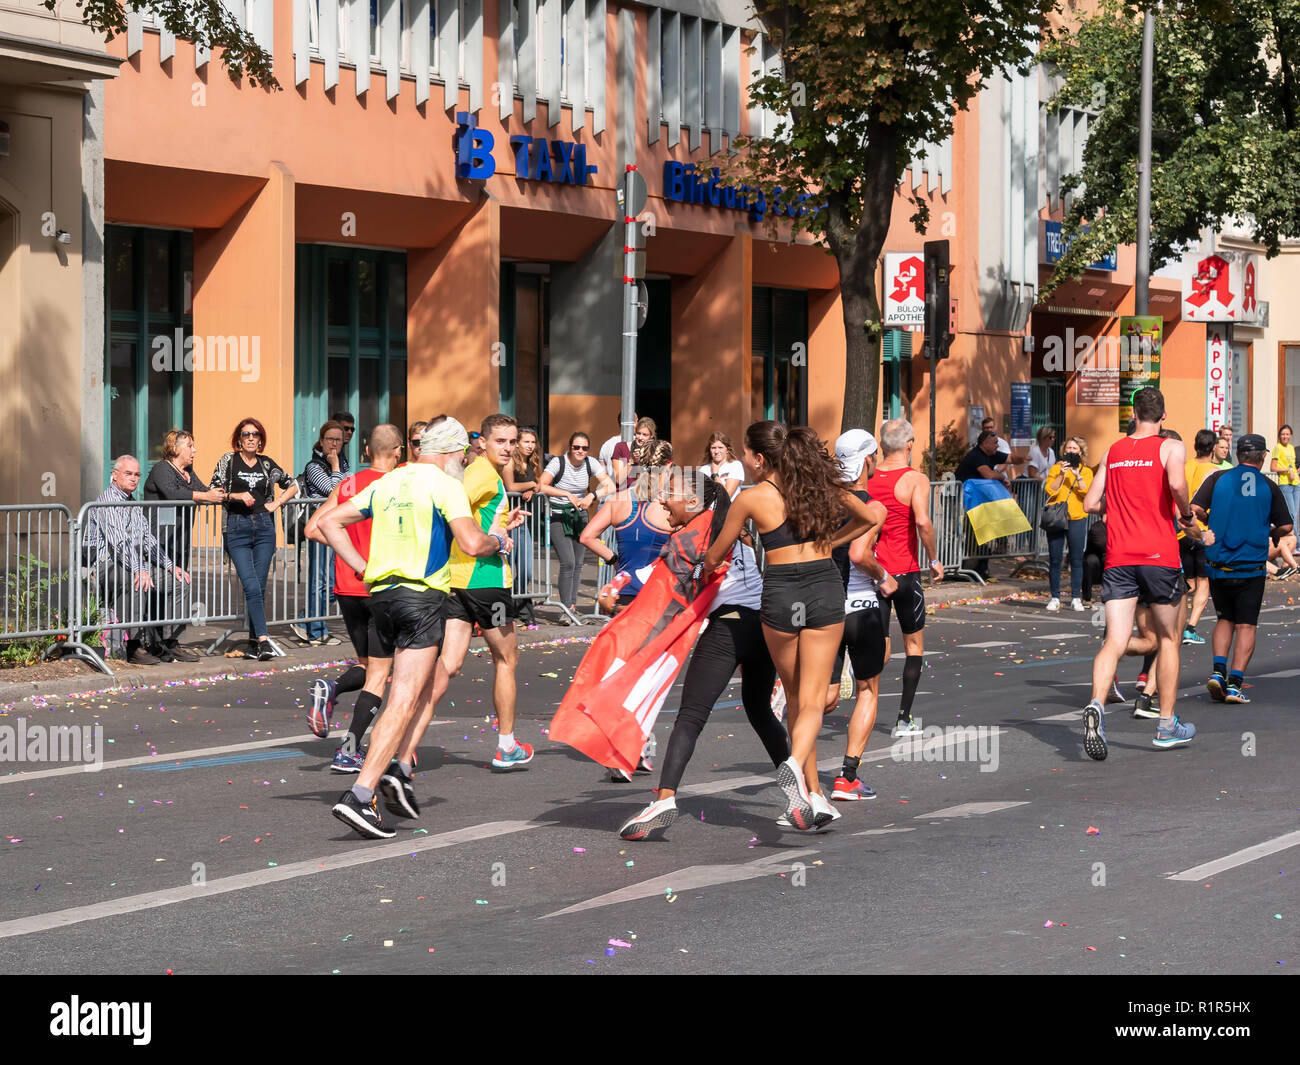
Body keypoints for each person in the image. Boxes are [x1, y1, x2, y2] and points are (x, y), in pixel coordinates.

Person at [319, 416, 520, 839]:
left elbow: (327, 523)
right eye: (462, 456)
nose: (463, 463)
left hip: (382, 597)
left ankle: (396, 772)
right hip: (422, 599)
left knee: (405, 687)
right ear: (450, 453)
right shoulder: (444, 483)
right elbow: (470, 542)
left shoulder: (389, 480)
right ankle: (360, 794)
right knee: (404, 698)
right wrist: (499, 541)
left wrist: (363, 568)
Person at [702, 422, 877, 831]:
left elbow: (715, 554)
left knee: (795, 698)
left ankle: (807, 788)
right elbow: (868, 516)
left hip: (781, 594)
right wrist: (831, 544)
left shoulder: (750, 498)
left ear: (760, 458)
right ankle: (800, 774)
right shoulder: (818, 489)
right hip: (822, 588)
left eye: (745, 452)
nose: (743, 459)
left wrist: (705, 564)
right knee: (813, 702)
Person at [617, 477, 787, 839]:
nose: (663, 502)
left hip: (729, 628)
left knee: (691, 716)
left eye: (671, 495)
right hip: (763, 626)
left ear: (693, 500)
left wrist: (616, 586)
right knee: (759, 710)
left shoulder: (696, 532)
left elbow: (661, 580)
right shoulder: (726, 522)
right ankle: (799, 792)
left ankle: (664, 799)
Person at [1081, 387, 1199, 757]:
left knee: (1114, 641)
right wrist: (1186, 514)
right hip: (1158, 555)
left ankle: (1096, 705)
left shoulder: (1114, 452)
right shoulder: (1170, 448)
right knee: (1168, 639)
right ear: (1163, 417)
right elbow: (1178, 484)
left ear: (1133, 413)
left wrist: (1118, 508)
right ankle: (1166, 725)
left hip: (1119, 557)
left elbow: (1089, 502)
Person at [303, 424, 404, 772]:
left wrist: (349, 555)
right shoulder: (396, 482)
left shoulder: (347, 484)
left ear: (364, 452)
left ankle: (331, 688)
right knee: (380, 674)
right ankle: (350, 747)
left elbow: (312, 529)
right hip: (381, 587)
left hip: (347, 587)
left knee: (370, 666)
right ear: (398, 451)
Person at [1192, 433, 1295, 704]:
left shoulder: (1218, 478)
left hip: (1218, 563)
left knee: (1225, 619)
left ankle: (1217, 672)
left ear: (1237, 455)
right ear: (1262, 458)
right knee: (1247, 625)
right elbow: (1287, 527)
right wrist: (1270, 531)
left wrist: (1209, 518)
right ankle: (1235, 684)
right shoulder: (1267, 486)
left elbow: (1194, 508)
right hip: (1251, 566)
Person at [861, 418, 946, 739]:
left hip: (874, 572)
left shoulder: (868, 478)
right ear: (910, 445)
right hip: (906, 572)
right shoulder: (915, 479)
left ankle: (862, 699)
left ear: (882, 445)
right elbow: (922, 522)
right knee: (913, 645)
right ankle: (903, 718)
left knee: (879, 646)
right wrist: (935, 560)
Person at [822, 430, 892, 804]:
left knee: (828, 697)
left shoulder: (820, 503)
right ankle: (847, 778)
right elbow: (859, 554)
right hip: (862, 608)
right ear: (867, 461)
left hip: (826, 608)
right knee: (867, 690)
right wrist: (884, 576)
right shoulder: (870, 505)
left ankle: (794, 761)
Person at [85, 455, 193, 665]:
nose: (134, 479)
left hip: (131, 563)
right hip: (106, 565)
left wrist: (170, 566)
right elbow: (119, 544)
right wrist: (138, 569)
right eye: (128, 474)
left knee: (180, 582)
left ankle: (171, 641)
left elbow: (147, 540)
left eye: (137, 474)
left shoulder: (133, 503)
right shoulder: (108, 501)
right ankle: (133, 646)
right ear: (115, 476)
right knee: (135, 582)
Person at [212, 418, 299, 660]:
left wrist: (277, 503)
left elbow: (292, 484)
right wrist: (237, 495)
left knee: (259, 587)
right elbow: (215, 490)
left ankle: (253, 645)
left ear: (261, 439)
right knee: (250, 584)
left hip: (264, 529)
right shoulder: (228, 461)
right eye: (246, 434)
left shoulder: (267, 464)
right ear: (238, 439)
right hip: (237, 527)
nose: (251, 437)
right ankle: (264, 639)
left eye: (255, 434)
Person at [143, 429, 226, 660]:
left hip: (180, 542)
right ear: (175, 448)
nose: (194, 450)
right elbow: (173, 493)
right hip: (158, 541)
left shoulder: (187, 471)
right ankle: (155, 642)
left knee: (180, 587)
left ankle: (173, 640)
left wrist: (226, 493)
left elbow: (204, 490)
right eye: (189, 446)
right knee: (159, 591)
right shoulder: (162, 469)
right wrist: (205, 496)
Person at [583, 440, 675, 615]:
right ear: (669, 466)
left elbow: (586, 537)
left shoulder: (617, 500)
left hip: (624, 592)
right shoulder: (671, 508)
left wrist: (615, 561)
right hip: (659, 594)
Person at [538, 432, 616, 619]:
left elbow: (610, 485)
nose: (580, 451)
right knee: (568, 562)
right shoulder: (559, 462)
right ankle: (565, 610)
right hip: (558, 515)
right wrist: (566, 494)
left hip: (579, 515)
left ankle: (572, 607)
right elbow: (541, 485)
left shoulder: (591, 463)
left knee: (579, 563)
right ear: (570, 448)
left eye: (584, 448)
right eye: (576, 447)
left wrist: (592, 495)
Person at [291, 420, 348, 646]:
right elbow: (333, 489)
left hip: (338, 526)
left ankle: (306, 620)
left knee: (334, 581)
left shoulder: (343, 462)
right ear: (322, 441)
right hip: (319, 527)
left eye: (338, 439)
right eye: (330, 439)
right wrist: (335, 468)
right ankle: (316, 631)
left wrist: (339, 469)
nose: (334, 444)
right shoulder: (314, 466)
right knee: (319, 580)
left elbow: (350, 487)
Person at [1043, 436, 1093, 612]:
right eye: (1068, 448)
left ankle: (1075, 598)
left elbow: (1086, 492)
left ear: (1081, 452)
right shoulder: (1056, 468)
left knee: (1076, 559)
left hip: (1077, 518)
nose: (1070, 451)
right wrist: (1063, 475)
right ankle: (1055, 597)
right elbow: (1049, 489)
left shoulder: (1086, 471)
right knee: (1055, 559)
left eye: (1074, 449)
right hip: (1057, 518)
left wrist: (1077, 476)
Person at [1180, 429, 1219, 645]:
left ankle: (1178, 625)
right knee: (1203, 583)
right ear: (1213, 448)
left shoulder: (1184, 466)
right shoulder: (1216, 472)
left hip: (1181, 530)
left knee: (1188, 583)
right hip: (1203, 531)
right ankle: (1190, 628)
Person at [503, 425, 543, 625]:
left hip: (525, 522)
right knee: (507, 569)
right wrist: (530, 485)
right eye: (526, 442)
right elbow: (510, 486)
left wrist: (534, 489)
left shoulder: (533, 462)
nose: (530, 446)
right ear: (517, 443)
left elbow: (539, 484)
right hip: (508, 520)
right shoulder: (510, 461)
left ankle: (518, 605)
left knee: (526, 571)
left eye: (533, 442)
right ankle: (512, 610)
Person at [956, 430, 1010, 579]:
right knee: (972, 536)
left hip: (978, 502)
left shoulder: (992, 454)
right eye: (995, 442)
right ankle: (966, 568)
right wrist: (1001, 476)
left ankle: (980, 568)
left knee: (984, 535)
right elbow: (989, 475)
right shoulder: (975, 455)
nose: (997, 445)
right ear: (984, 443)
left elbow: (1009, 459)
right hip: (963, 501)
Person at [1270, 424, 1299, 539]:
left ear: (1291, 435)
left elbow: (1291, 464)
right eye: (1283, 434)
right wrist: (1287, 470)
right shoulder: (1278, 448)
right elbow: (1273, 467)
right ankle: (1297, 542)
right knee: (1291, 514)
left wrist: (1295, 471)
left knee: (1295, 515)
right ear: (1279, 436)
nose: (1285, 436)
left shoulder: (1291, 448)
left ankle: (1295, 541)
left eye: (1287, 434)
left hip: (1296, 483)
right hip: (1285, 483)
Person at [704, 432, 745, 500]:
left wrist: (715, 475)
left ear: (727, 450)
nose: (716, 451)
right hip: (709, 510)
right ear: (709, 450)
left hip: (729, 510)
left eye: (720, 447)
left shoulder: (735, 465)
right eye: (713, 448)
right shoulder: (703, 469)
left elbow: (726, 496)